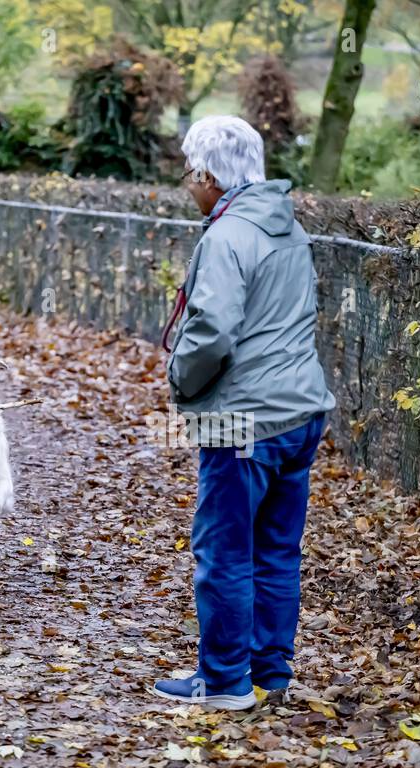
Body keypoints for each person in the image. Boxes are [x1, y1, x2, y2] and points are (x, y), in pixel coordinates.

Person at [152, 115, 336, 711]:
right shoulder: (290, 229)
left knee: (225, 550)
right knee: (277, 550)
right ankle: (269, 674)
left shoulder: (228, 237)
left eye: (188, 171)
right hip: (301, 413)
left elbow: (211, 332)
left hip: (245, 422)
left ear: (208, 174)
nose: (187, 184)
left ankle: (226, 681)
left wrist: (179, 377)